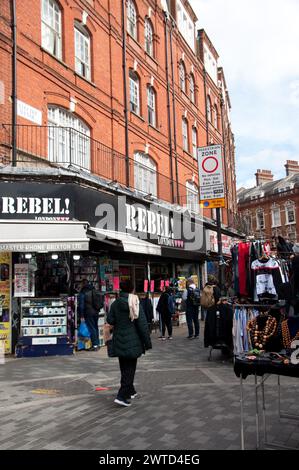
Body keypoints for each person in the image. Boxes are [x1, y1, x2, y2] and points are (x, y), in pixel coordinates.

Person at [106, 280, 152, 407]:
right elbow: (142, 324)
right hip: (133, 341)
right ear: (132, 290)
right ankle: (121, 396)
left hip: (119, 339)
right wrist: (147, 343)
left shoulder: (115, 303)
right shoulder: (135, 303)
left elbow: (110, 320)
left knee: (124, 367)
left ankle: (130, 391)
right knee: (130, 369)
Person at [78, 279, 103, 350]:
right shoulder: (93, 290)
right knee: (95, 327)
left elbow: (81, 305)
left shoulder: (83, 292)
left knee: (92, 328)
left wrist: (82, 315)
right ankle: (97, 344)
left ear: (82, 284)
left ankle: (95, 345)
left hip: (89, 312)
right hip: (96, 311)